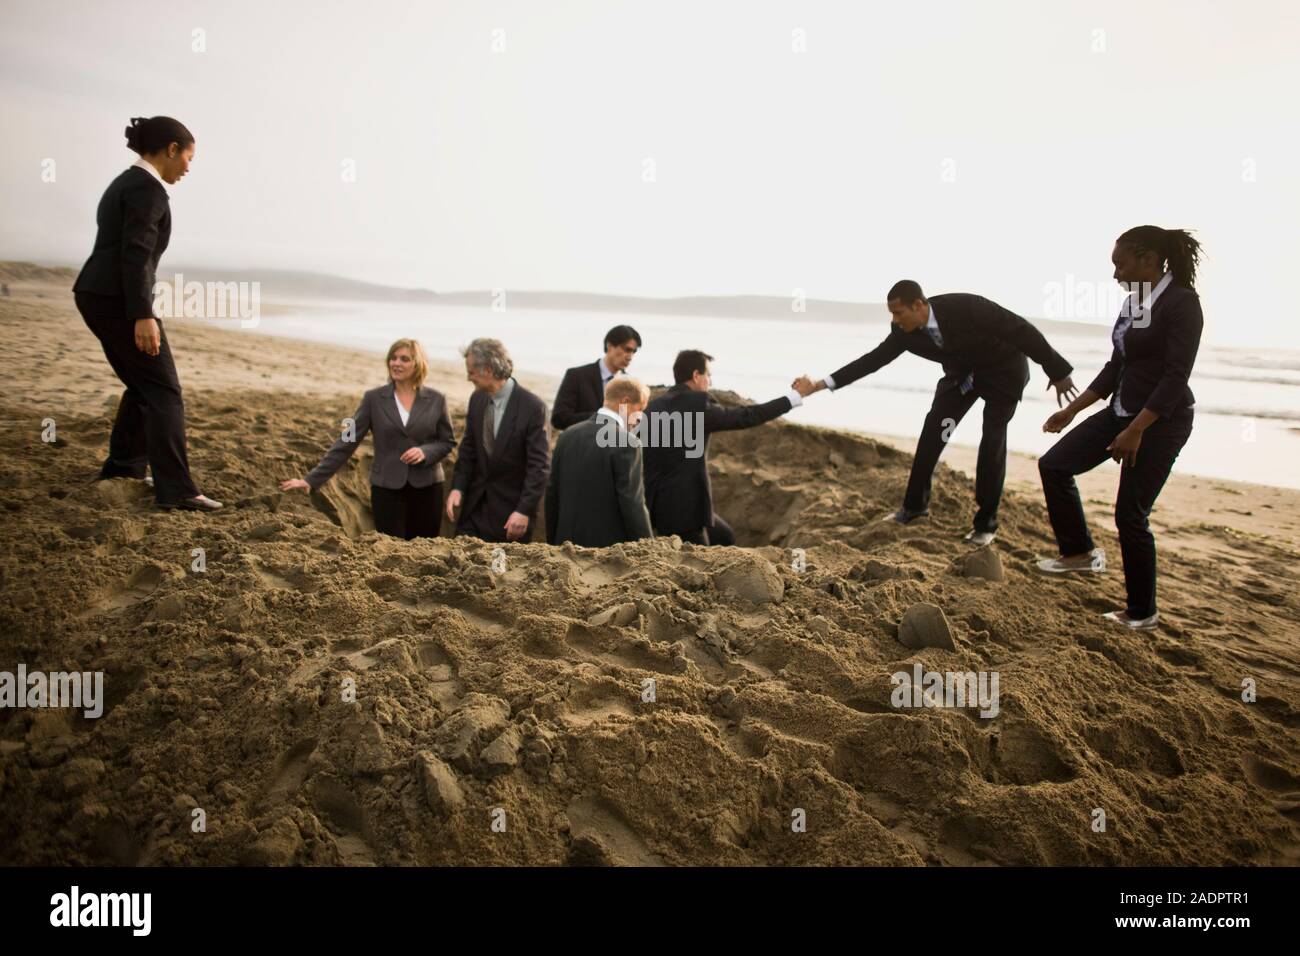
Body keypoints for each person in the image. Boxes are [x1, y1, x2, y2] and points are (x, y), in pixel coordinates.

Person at [795, 280, 1076, 545]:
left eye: (898, 312)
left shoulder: (967, 307)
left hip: (1003, 374)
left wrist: (1058, 370)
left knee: (992, 439)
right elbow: (872, 361)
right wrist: (819, 385)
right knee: (933, 433)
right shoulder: (903, 333)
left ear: (918, 305)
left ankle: (985, 525)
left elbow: (1020, 330)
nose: (894, 320)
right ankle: (914, 507)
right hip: (961, 379)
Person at [1036, 227, 1204, 631]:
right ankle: (1078, 553)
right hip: (1121, 412)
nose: (1115, 275)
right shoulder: (1133, 304)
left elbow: (1176, 375)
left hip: (1162, 422)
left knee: (1130, 515)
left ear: (1148, 259)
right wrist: (1072, 411)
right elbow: (1116, 368)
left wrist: (1138, 429)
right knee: (1054, 465)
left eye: (1120, 264)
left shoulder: (1182, 304)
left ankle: (1142, 612)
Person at [72, 116, 221, 511]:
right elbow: (135, 252)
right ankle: (178, 490)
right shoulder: (148, 190)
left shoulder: (124, 182)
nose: (189, 167)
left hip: (95, 293)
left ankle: (124, 468)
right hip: (116, 299)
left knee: (143, 386)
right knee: (164, 391)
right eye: (188, 157)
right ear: (171, 149)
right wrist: (143, 314)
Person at [280, 339, 454, 540]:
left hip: (428, 487)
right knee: (391, 548)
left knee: (426, 548)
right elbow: (346, 440)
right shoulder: (372, 399)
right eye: (393, 358)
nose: (396, 363)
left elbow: (447, 441)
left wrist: (426, 451)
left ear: (418, 364)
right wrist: (311, 480)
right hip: (386, 489)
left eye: (404, 359)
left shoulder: (437, 399)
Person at [643, 349, 806, 545]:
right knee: (698, 561)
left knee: (723, 535)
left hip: (654, 503)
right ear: (696, 376)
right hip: (684, 509)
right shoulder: (698, 404)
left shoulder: (654, 405)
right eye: (708, 375)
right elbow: (748, 416)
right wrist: (795, 396)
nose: (710, 382)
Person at [446, 339, 550, 542]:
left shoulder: (533, 408)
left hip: (511, 517)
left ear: (487, 369)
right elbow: (469, 450)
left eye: (471, 371)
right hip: (473, 510)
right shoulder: (477, 399)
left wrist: (523, 511)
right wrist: (458, 487)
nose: (468, 377)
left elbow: (539, 467)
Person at [546, 377, 654, 547]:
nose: (640, 419)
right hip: (606, 552)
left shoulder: (567, 435)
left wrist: (553, 543)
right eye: (639, 410)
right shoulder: (627, 442)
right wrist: (649, 547)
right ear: (625, 402)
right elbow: (632, 503)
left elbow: (552, 495)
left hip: (564, 545)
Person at [551, 324, 642, 429]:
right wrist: (603, 416)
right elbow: (559, 419)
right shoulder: (576, 376)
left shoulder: (630, 385)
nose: (630, 357)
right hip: (582, 442)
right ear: (609, 346)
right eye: (627, 349)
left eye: (633, 352)